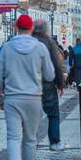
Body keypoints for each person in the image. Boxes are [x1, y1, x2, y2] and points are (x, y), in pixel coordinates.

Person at [0, 14, 55, 160]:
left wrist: (0, 98)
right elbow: (50, 75)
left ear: (16, 28)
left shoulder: (7, 48)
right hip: (34, 98)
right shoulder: (40, 48)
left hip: (12, 98)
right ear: (32, 29)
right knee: (30, 139)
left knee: (13, 138)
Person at [32, 20, 68, 152]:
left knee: (32, 114)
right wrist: (60, 83)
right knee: (53, 114)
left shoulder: (28, 40)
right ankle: (54, 142)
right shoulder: (48, 42)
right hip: (47, 83)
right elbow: (56, 64)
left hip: (30, 84)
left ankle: (32, 142)